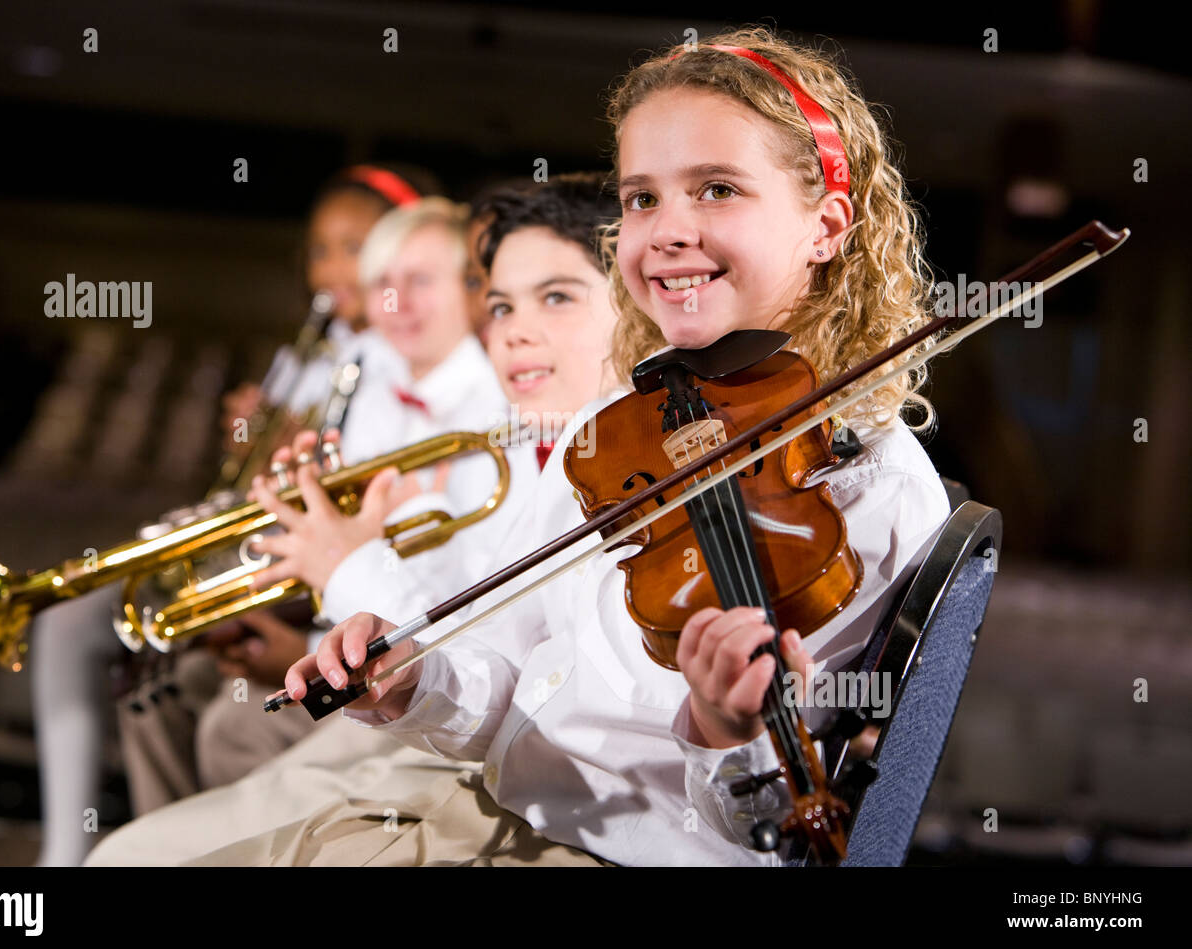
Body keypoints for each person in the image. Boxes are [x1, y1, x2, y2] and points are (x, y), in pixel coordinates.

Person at [258, 26, 952, 866]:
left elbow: (772, 826)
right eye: (642, 198)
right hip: (479, 808)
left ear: (827, 225)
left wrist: (723, 729)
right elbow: (504, 673)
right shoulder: (628, 422)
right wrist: (414, 676)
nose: (664, 232)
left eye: (718, 189)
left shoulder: (867, 486)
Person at [83, 172, 625, 865]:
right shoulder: (532, 436)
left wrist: (351, 576)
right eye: (502, 307)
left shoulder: (535, 432)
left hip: (505, 776)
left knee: (190, 787)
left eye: (554, 298)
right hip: (440, 728)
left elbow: (507, 677)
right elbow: (483, 654)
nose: (513, 333)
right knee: (152, 738)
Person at [28, 165, 430, 867]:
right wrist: (249, 439)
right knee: (139, 680)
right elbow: (256, 488)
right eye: (320, 249)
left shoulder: (405, 363)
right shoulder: (308, 357)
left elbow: (370, 507)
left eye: (354, 247)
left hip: (317, 600)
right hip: (274, 568)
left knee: (213, 711)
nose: (333, 269)